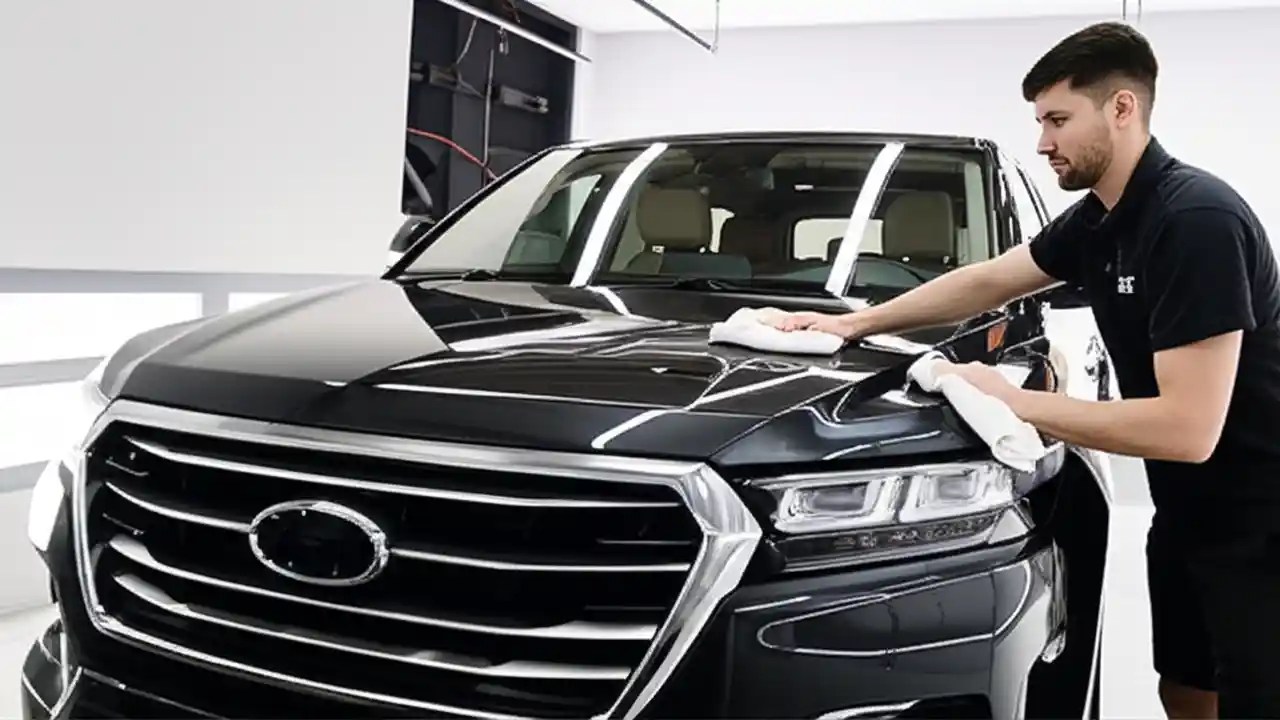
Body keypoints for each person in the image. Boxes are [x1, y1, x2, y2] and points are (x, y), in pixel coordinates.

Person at [773, 20, 1280, 720]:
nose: (1043, 141)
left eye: (1058, 120)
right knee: (1186, 682)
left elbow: (1188, 429)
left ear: (1122, 109)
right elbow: (986, 281)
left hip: (1260, 522)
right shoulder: (1101, 220)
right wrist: (850, 323)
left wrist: (1012, 400)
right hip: (1189, 511)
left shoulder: (1196, 220)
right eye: (1040, 121)